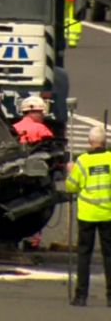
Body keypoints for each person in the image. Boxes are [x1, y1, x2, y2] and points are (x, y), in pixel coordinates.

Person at [66, 125, 111, 307]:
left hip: (87, 214)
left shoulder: (82, 161)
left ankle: (81, 296)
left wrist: (70, 171)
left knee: (84, 255)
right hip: (108, 213)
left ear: (90, 142)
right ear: (105, 142)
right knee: (109, 255)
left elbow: (71, 186)